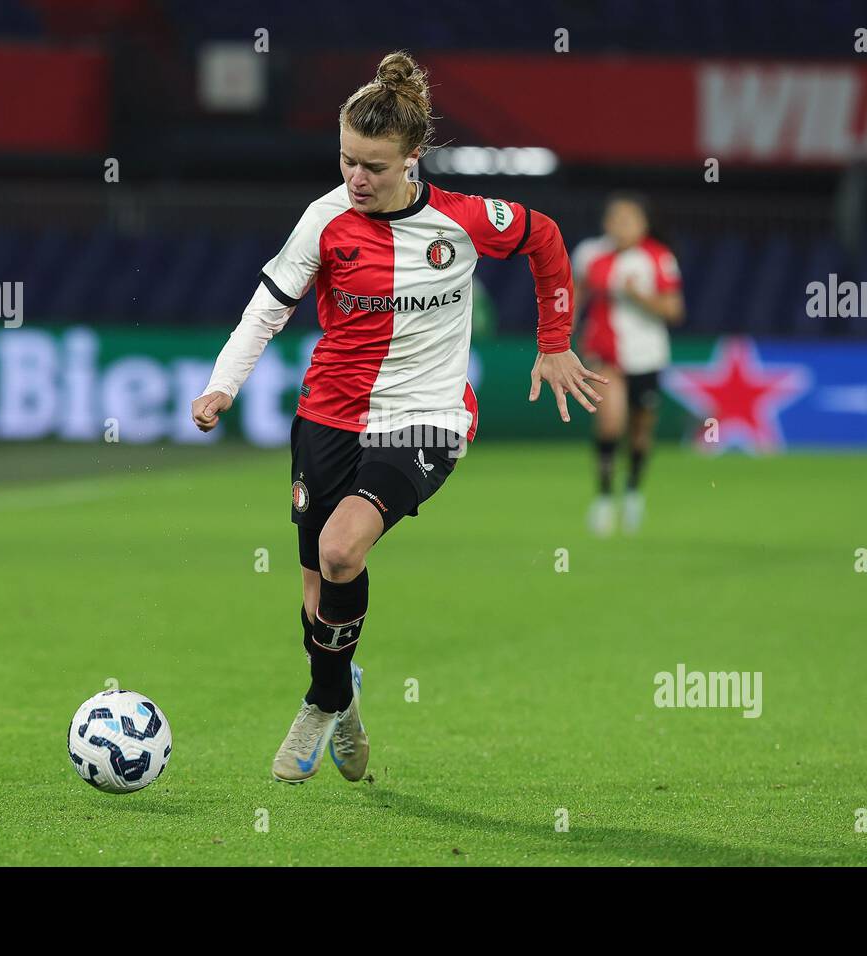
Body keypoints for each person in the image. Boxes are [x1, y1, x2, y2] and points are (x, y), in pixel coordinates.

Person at [189, 51, 606, 783]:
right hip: (329, 415)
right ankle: (340, 697)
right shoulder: (323, 219)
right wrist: (223, 386)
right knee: (318, 590)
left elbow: (544, 238)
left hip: (426, 417)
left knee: (343, 550)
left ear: (413, 159)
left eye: (373, 166)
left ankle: (319, 704)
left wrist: (553, 342)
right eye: (347, 159)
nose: (356, 178)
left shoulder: (465, 220)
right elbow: (267, 310)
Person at [572, 193, 684, 536]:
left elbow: (674, 311)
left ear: (643, 224)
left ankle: (633, 489)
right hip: (604, 354)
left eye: (629, 220)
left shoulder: (658, 258)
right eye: (616, 219)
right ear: (606, 223)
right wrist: (561, 338)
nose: (622, 226)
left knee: (640, 431)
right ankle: (604, 497)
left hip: (646, 356)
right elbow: (576, 296)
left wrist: (639, 296)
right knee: (610, 423)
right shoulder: (590, 254)